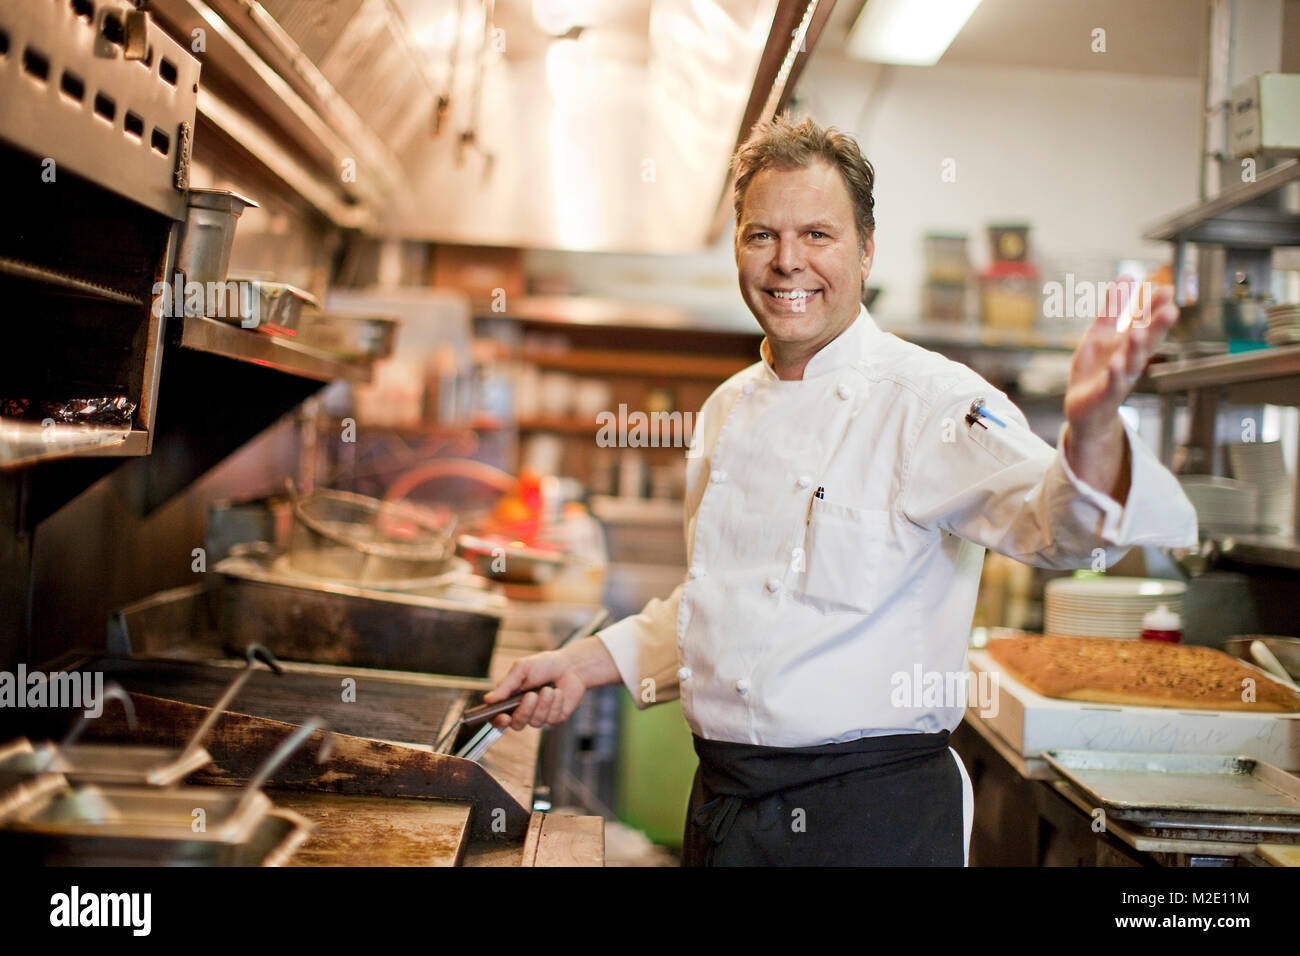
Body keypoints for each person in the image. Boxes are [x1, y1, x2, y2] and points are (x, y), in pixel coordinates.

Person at [483, 114, 1197, 865]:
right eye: (762, 235)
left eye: (817, 235)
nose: (787, 262)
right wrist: (584, 661)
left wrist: (1088, 433)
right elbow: (724, 605)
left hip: (868, 823)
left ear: (866, 250)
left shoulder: (931, 402)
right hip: (727, 808)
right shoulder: (728, 407)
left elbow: (1060, 531)